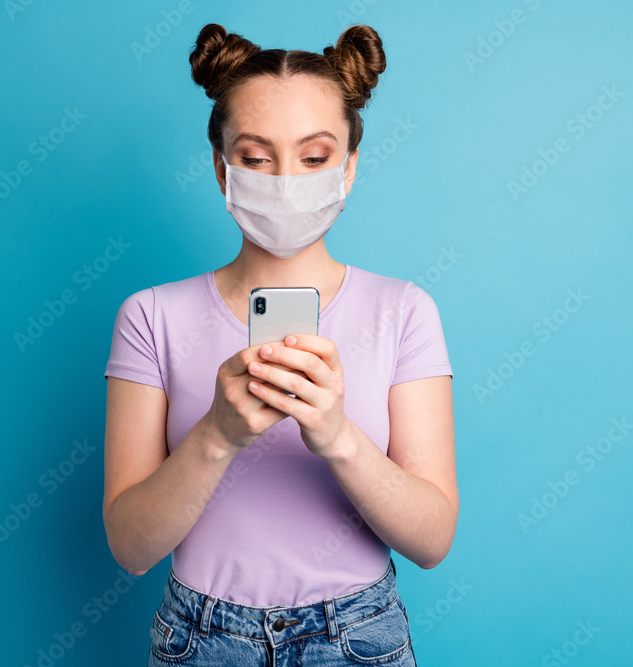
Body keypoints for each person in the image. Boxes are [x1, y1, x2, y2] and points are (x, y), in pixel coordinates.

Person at [103, 22, 457, 666]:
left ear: (349, 168)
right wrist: (216, 434)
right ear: (222, 169)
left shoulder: (403, 310)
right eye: (257, 158)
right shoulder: (150, 316)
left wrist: (336, 436)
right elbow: (129, 548)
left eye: (315, 157)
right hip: (200, 640)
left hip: (357, 636)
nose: (286, 181)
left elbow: (432, 539)